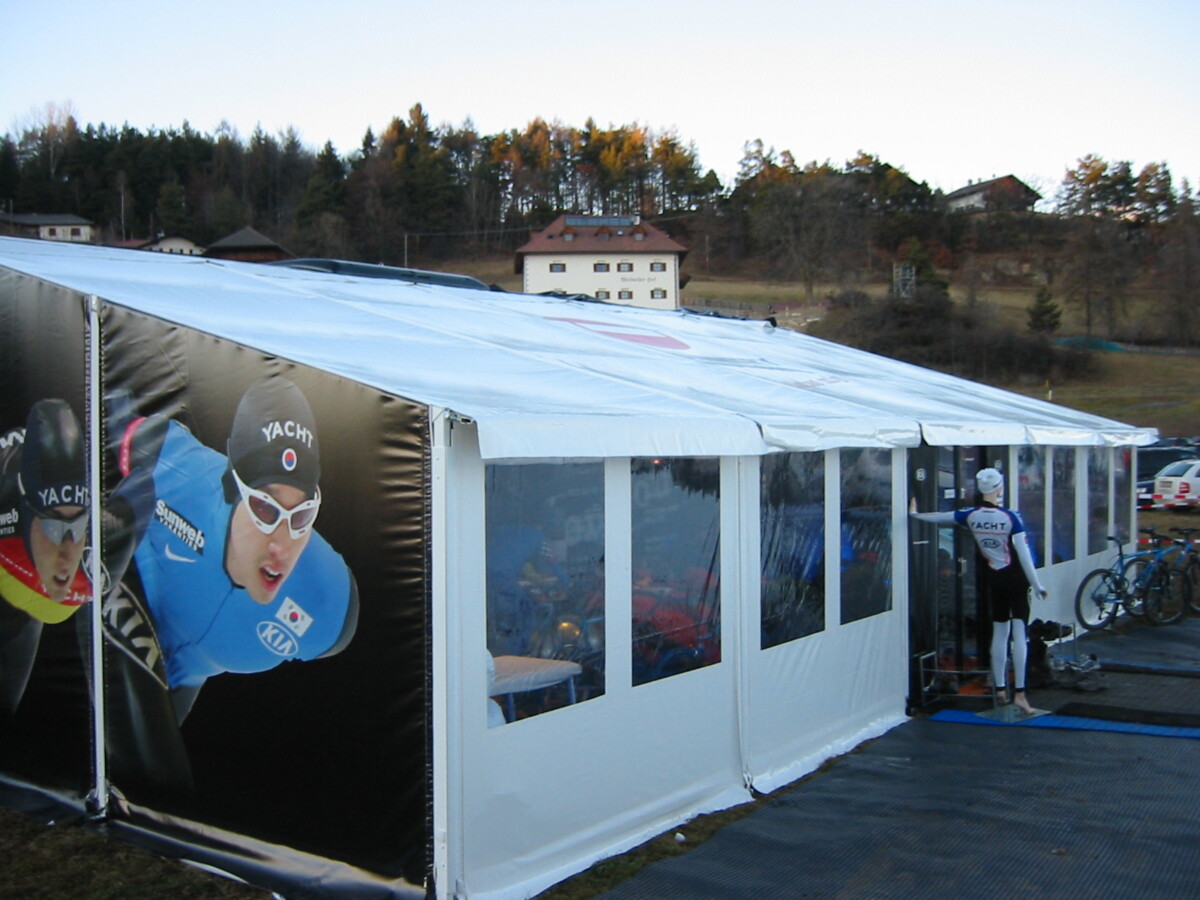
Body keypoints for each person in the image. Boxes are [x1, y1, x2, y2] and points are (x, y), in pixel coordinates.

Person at [108, 376, 359, 725]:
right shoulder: (177, 469)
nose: (281, 544)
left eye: (302, 516)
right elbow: (105, 404)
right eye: (265, 509)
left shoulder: (328, 606)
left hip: (180, 683)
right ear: (232, 489)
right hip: (125, 599)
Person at [910, 467, 1048, 715]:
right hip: (1016, 579)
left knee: (1000, 631)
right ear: (1000, 488)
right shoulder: (1010, 517)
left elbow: (941, 517)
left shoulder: (970, 515)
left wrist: (915, 515)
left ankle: (1000, 689)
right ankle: (1020, 694)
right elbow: (1024, 555)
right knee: (1019, 634)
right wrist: (1037, 584)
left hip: (994, 578)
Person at [0, 399, 90, 714]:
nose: (66, 551)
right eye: (52, 527)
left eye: (77, 526)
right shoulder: (6, 493)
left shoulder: (102, 531)